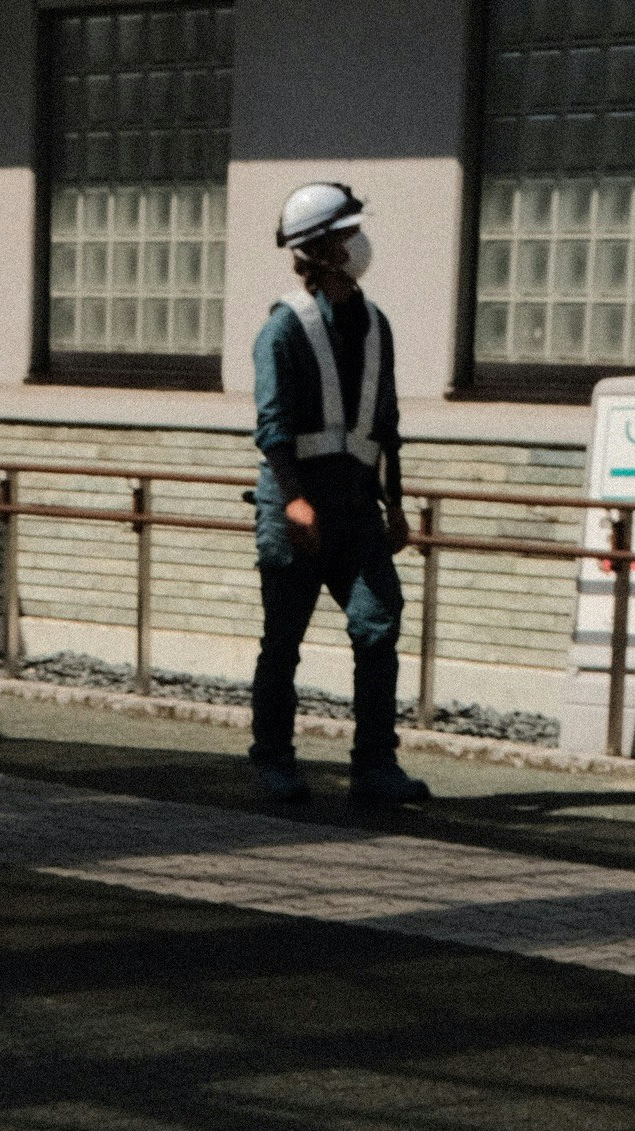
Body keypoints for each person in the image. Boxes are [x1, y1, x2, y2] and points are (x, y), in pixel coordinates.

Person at [249, 181, 428, 815]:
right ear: (320, 250)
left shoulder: (376, 324)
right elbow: (272, 429)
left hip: (357, 506)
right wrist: (294, 499)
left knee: (379, 621)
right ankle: (273, 761)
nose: (360, 244)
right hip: (298, 507)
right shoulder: (283, 329)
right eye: (348, 234)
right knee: (284, 638)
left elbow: (386, 423)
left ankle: (375, 764)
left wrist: (396, 501)